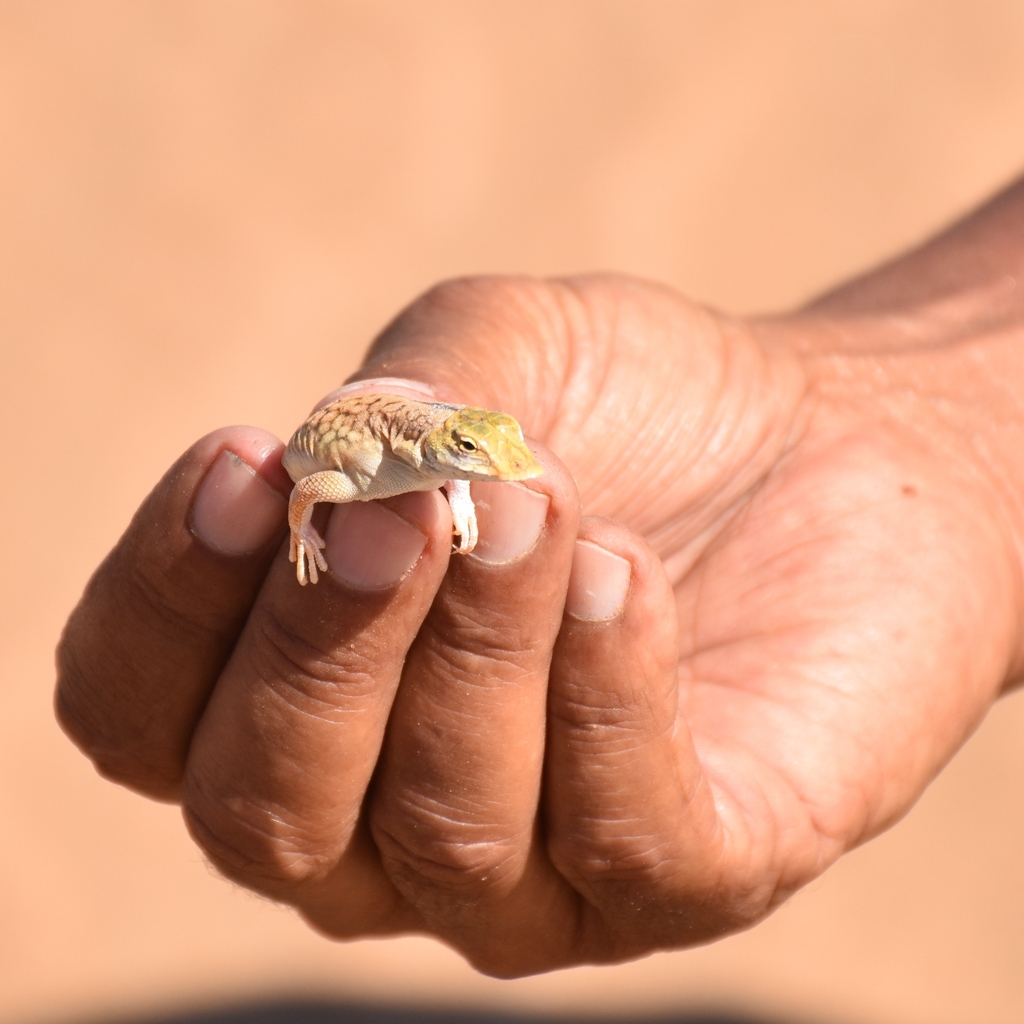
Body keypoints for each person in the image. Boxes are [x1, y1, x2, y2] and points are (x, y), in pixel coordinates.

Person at [55, 175, 1024, 978]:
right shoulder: (376, 468)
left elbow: (466, 474)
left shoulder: (459, 468)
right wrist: (305, 535)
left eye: (497, 448)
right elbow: (315, 486)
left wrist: (957, 440)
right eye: (475, 451)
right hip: (339, 475)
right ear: (442, 441)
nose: (506, 462)